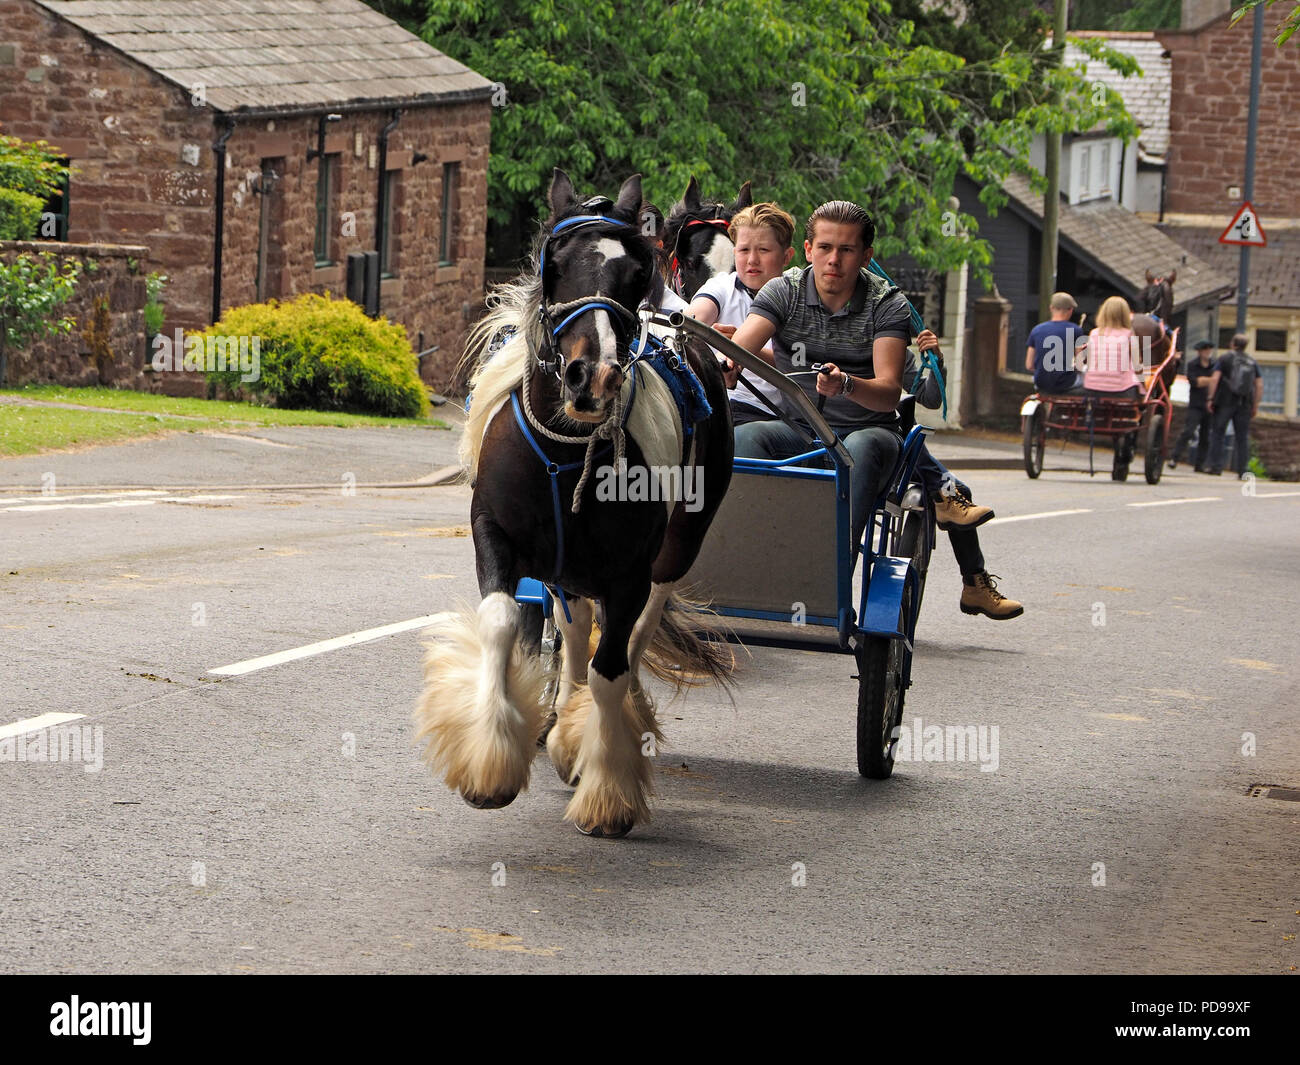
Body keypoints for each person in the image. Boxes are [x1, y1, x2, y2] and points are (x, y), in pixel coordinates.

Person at [728, 201, 907, 566]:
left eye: (846, 250)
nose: (833, 260)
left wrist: (846, 385)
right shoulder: (783, 291)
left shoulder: (888, 305)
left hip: (869, 432)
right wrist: (725, 365)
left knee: (855, 451)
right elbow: (739, 350)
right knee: (745, 437)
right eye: (824, 248)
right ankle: (752, 559)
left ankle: (829, 575)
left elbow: (889, 393)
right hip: (801, 432)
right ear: (809, 250)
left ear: (866, 256)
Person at [913, 330, 1024, 620]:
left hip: (894, 445)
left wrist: (936, 360)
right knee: (954, 491)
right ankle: (974, 583)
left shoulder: (884, 341)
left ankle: (974, 586)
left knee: (959, 491)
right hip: (855, 437)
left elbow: (930, 400)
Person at [687, 201, 796, 425]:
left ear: (787, 257)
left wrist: (741, 348)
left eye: (763, 250)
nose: (752, 260)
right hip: (715, 402)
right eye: (744, 250)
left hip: (772, 416)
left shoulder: (799, 296)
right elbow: (691, 322)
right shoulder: (721, 286)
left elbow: (800, 363)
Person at [1080, 295, 1143, 472]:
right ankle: (1130, 435)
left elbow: (1086, 360)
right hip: (1120, 390)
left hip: (1093, 389)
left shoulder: (1093, 334)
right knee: (1140, 396)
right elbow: (1137, 365)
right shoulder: (1129, 335)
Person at [1206, 333, 1263, 479]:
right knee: (1242, 437)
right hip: (1244, 403)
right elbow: (1259, 384)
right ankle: (1242, 471)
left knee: (1218, 433)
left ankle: (1215, 467)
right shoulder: (1252, 361)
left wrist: (1211, 398)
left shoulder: (1224, 358)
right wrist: (1255, 404)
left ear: (1233, 344)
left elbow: (1215, 379)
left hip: (1225, 401)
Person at [1026, 292, 1086, 395]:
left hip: (1040, 383)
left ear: (1051, 308)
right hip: (1065, 383)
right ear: (1070, 310)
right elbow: (1080, 365)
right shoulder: (1075, 330)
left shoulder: (1036, 330)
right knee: (1088, 381)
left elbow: (1029, 365)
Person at [1169, 339, 1216, 472]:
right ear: (1199, 352)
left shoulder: (1214, 365)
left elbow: (1215, 382)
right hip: (1196, 404)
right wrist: (1211, 380)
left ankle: (1200, 464)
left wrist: (1206, 381)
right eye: (1205, 350)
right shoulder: (1193, 365)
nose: (1208, 352)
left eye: (1209, 350)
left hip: (1209, 404)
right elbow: (1195, 382)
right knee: (1188, 431)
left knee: (1205, 436)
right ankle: (1174, 458)